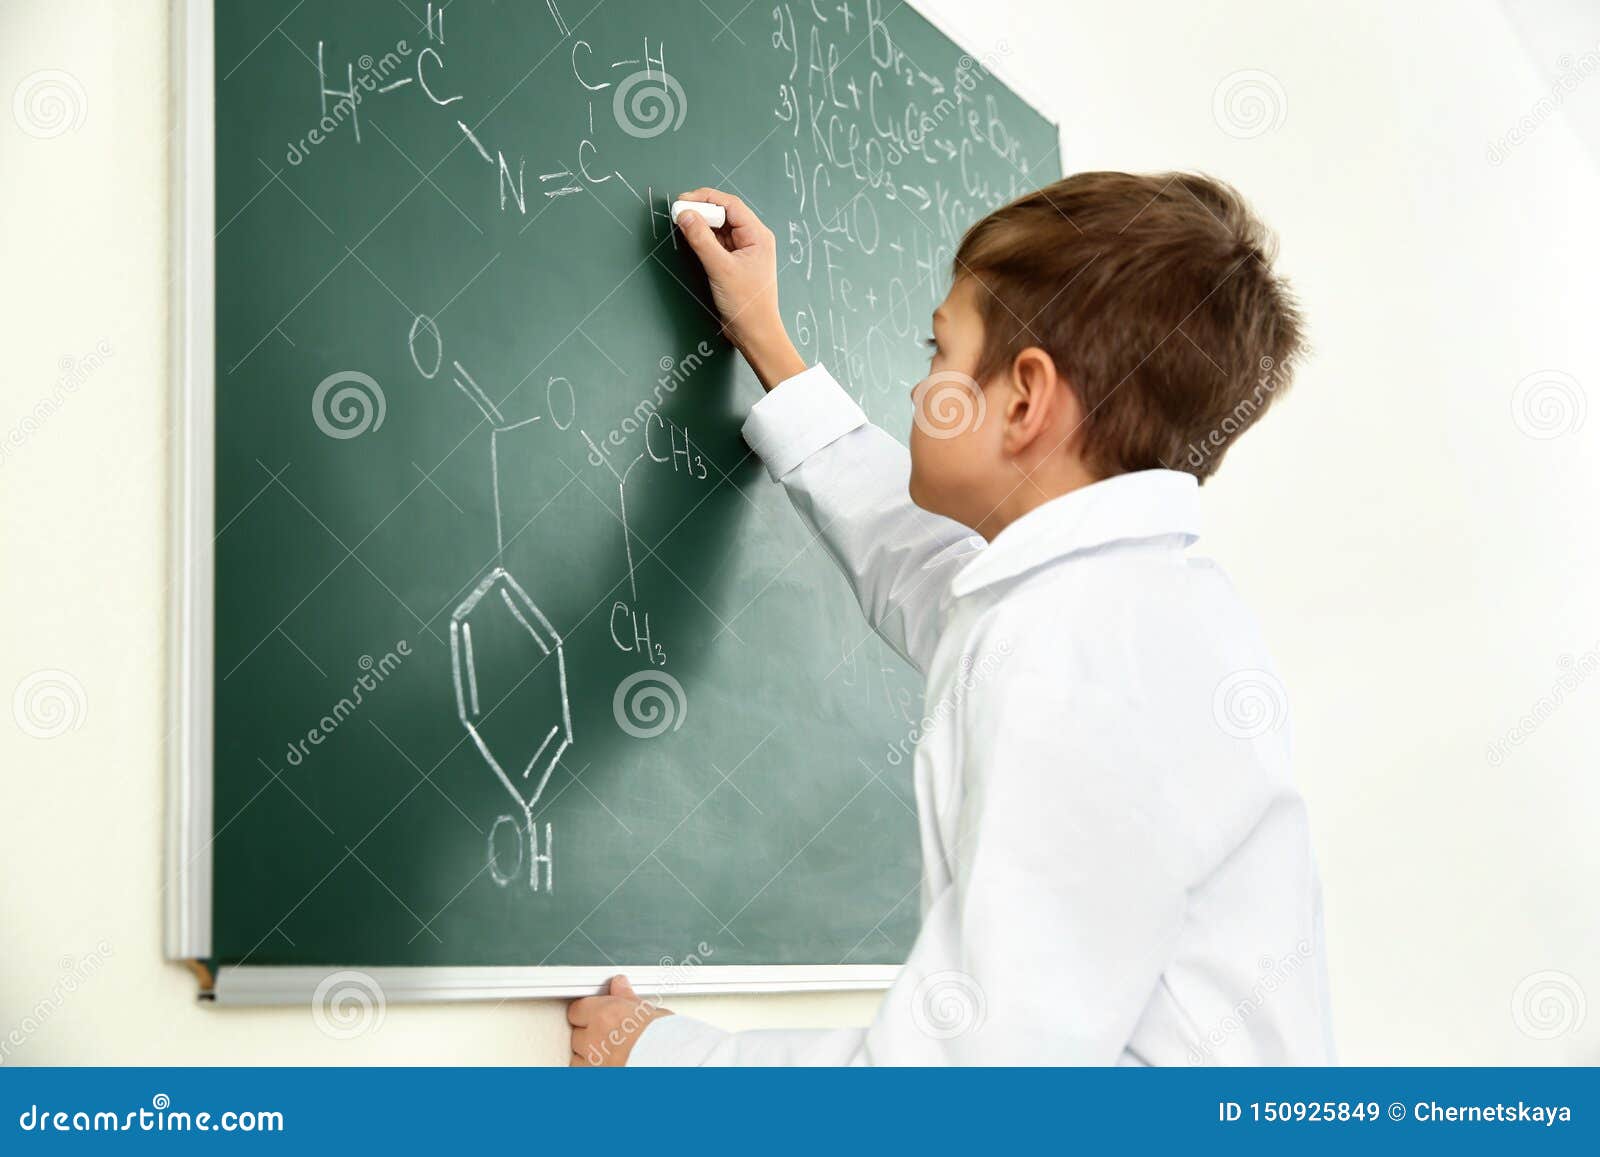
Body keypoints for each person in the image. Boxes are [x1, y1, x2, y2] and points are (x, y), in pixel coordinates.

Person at [568, 173, 1333, 1065]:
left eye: (938, 350)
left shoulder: (1076, 659)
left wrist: (662, 1060)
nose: (921, 380)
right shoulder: (1122, 606)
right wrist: (765, 340)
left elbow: (967, 1085)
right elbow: (927, 566)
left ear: (1024, 400)